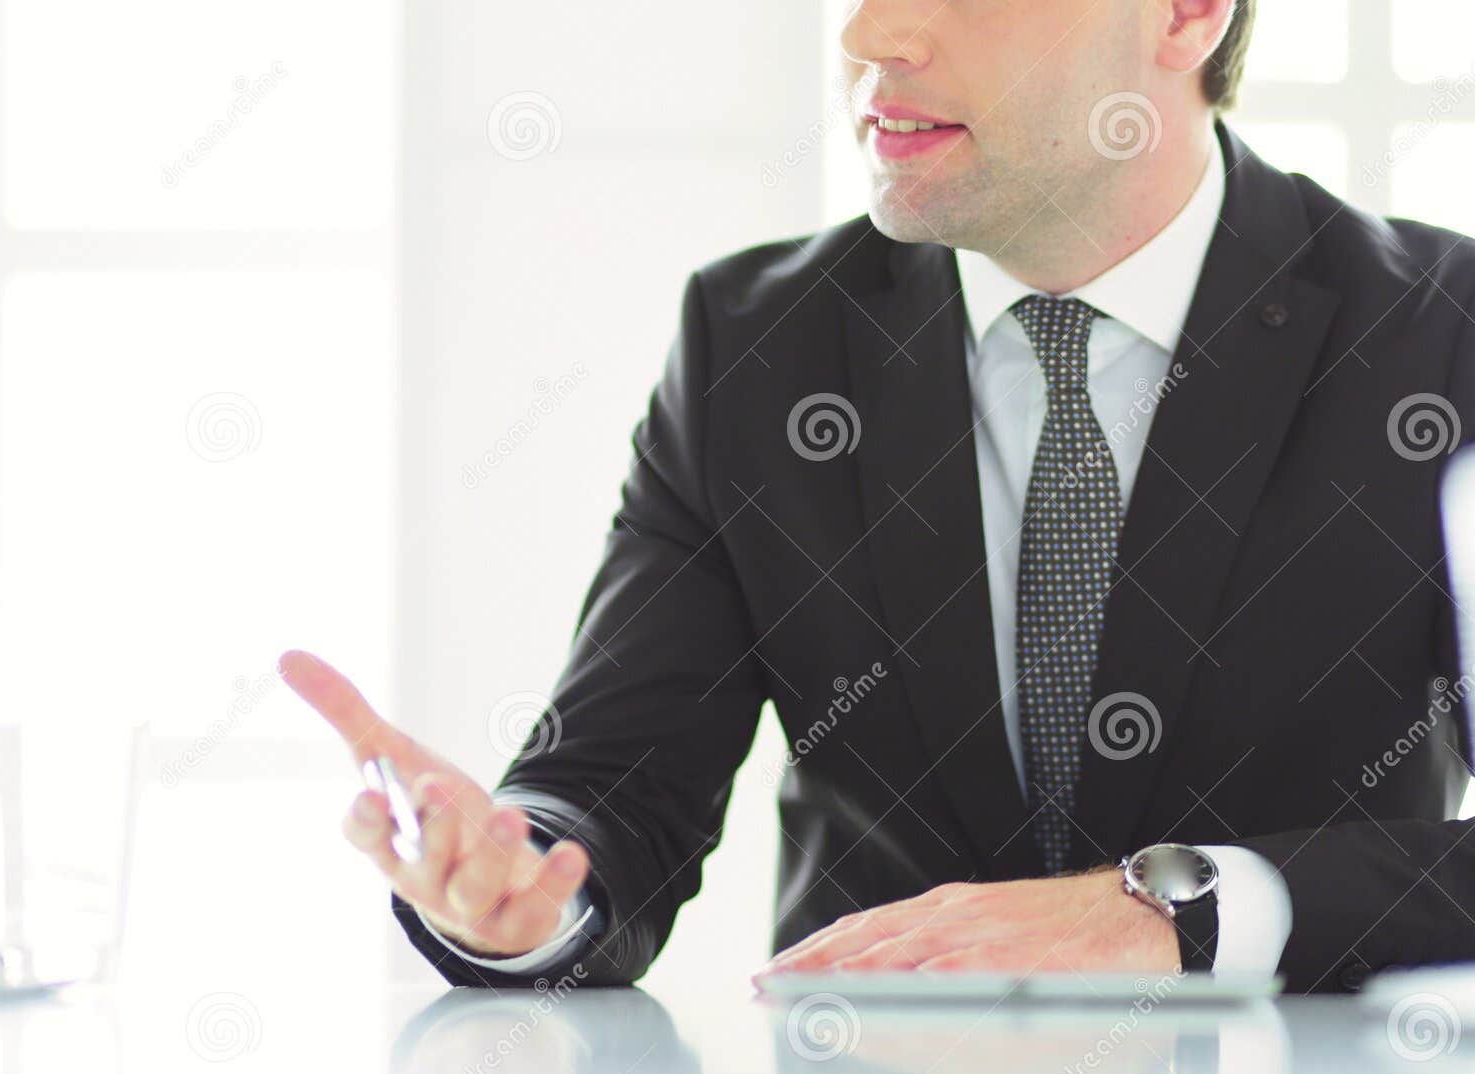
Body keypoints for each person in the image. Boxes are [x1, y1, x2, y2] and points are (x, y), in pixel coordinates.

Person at [285, 0, 1475, 994]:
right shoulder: (755, 340)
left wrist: (1187, 911)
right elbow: (615, 784)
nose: (868, 33)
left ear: (1182, 14)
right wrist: (517, 889)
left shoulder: (1438, 335)